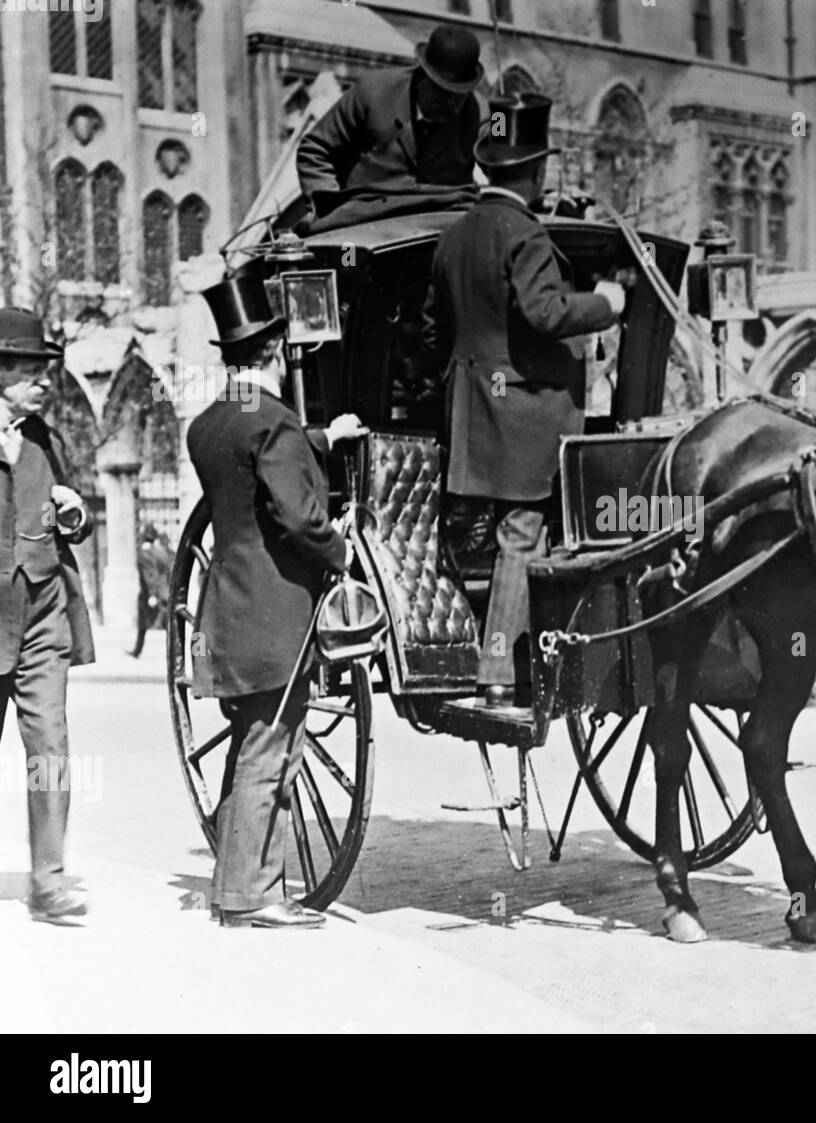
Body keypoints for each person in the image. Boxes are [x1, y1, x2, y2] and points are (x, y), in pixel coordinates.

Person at [422, 93, 626, 708]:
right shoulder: (526, 235)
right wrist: (607, 303)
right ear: (535, 172)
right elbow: (546, 312)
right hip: (526, 419)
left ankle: (497, 646)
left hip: (473, 412)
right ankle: (499, 670)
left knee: (487, 535)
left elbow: (433, 331)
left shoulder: (453, 236)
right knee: (523, 532)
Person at [188, 276, 366, 929]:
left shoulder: (209, 425)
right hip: (278, 611)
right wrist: (339, 552)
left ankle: (237, 886)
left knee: (250, 746)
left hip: (230, 610)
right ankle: (252, 896)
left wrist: (319, 438)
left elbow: (253, 461)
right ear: (271, 355)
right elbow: (296, 515)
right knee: (273, 750)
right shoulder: (274, 421)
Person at [0, 309, 96, 924]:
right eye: (30, 369)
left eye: (44, 369)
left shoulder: (48, 440)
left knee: (51, 751)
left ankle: (49, 879)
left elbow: (74, 522)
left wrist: (74, 513)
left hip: (42, 618)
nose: (43, 380)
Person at [296, 25, 484, 229]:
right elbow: (314, 149)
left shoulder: (482, 111)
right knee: (346, 261)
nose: (451, 103)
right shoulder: (372, 92)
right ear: (422, 76)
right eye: (441, 91)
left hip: (443, 225)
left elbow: (501, 147)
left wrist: (505, 118)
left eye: (460, 94)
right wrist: (332, 210)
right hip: (368, 224)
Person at [128, 523, 172, 659]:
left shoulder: (145, 551)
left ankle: (138, 650)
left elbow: (150, 573)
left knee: (154, 622)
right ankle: (137, 650)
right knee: (163, 623)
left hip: (151, 592)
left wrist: (152, 594)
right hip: (164, 591)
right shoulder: (160, 551)